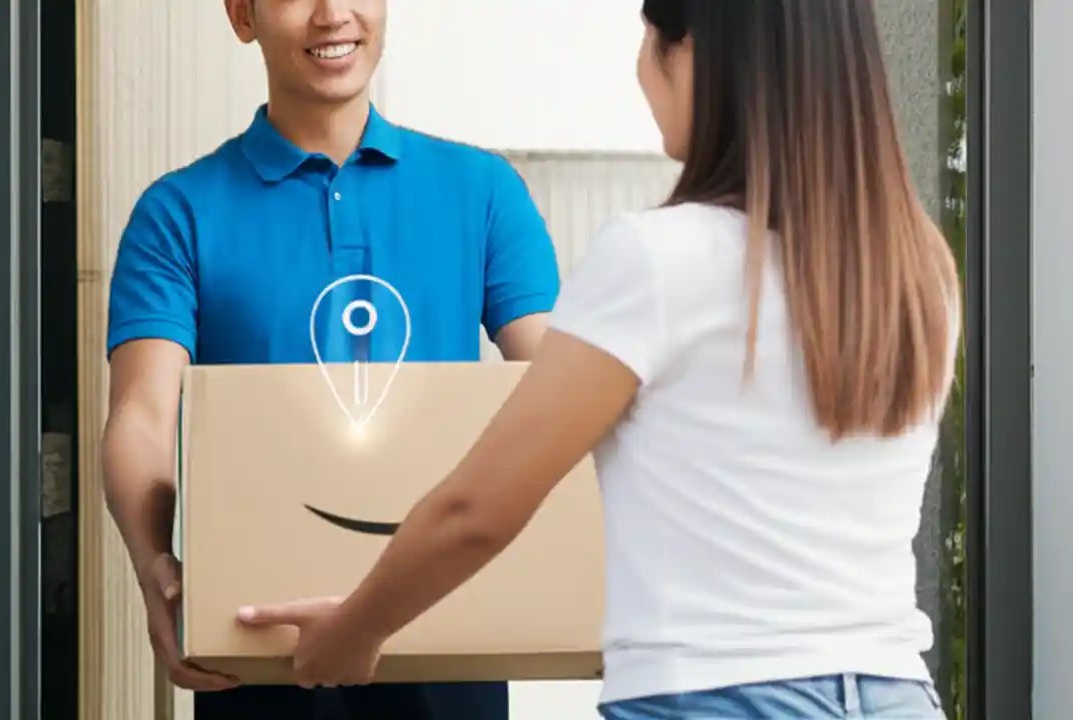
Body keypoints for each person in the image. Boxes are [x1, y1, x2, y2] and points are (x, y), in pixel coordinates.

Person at [238, 1, 962, 718]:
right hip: (894, 690)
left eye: (651, 41)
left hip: (713, 696)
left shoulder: (656, 258)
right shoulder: (917, 266)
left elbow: (477, 510)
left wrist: (356, 629)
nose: (642, 70)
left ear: (700, 57)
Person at [99, 0, 559, 717]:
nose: (332, 15)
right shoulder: (178, 211)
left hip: (444, 628)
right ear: (242, 14)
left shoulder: (483, 191)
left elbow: (557, 388)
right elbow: (142, 412)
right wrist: (153, 565)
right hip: (260, 638)